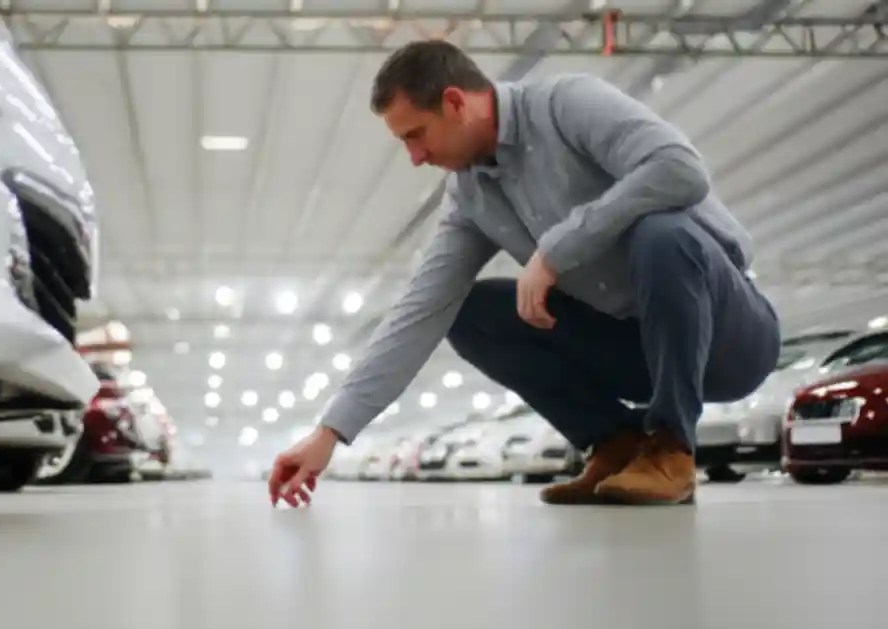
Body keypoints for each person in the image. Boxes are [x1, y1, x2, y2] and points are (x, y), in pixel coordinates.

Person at [268, 40, 780, 508]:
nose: (416, 157)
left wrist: (555, 250)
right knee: (469, 313)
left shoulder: (567, 105)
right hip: (636, 347)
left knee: (663, 233)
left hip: (728, 335)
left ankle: (671, 448)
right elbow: (419, 311)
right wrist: (330, 433)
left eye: (416, 135)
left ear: (455, 102)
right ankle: (618, 446)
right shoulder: (470, 196)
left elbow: (680, 170)